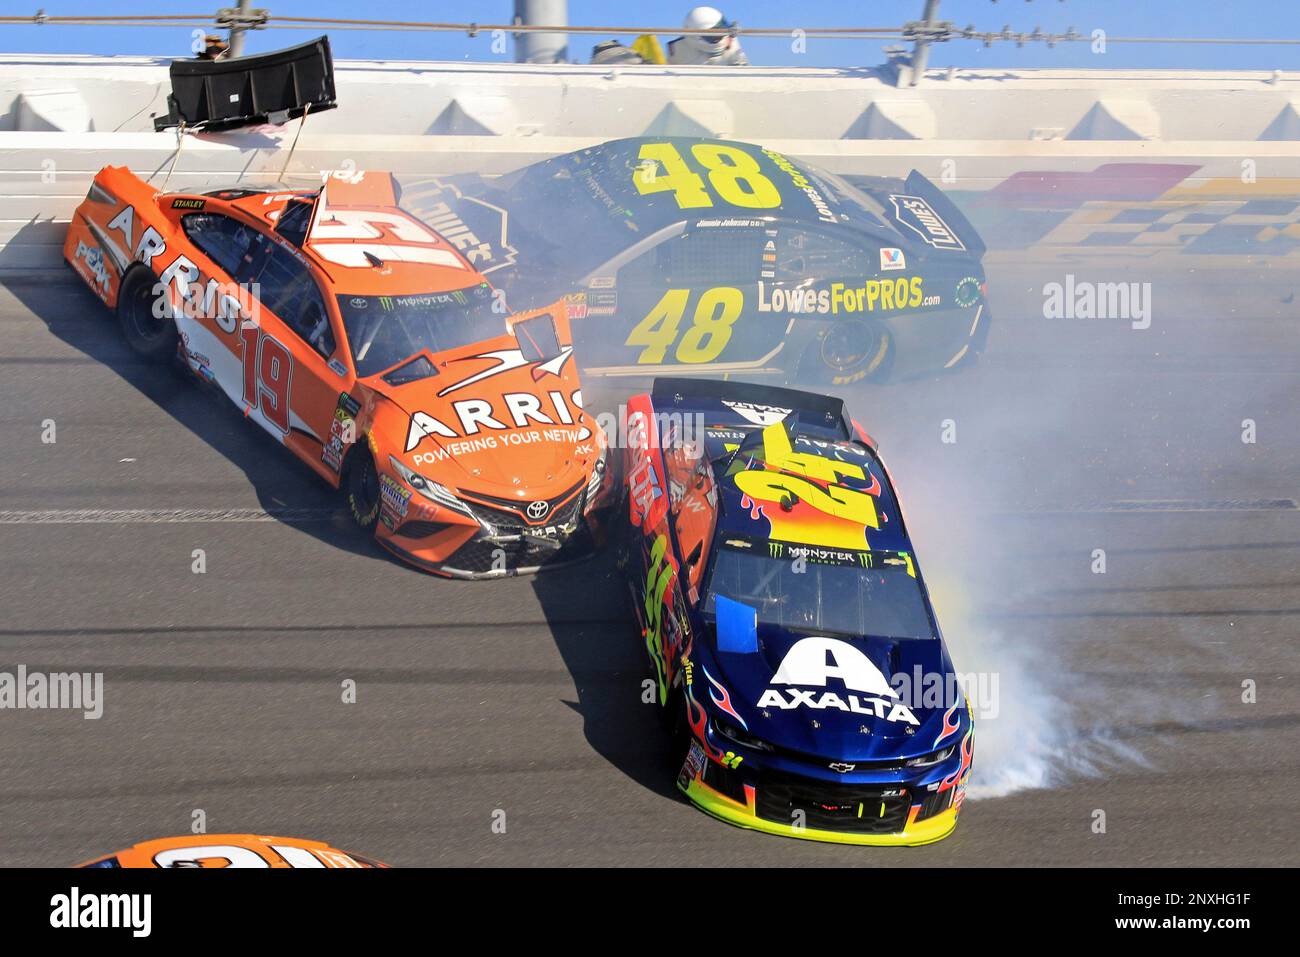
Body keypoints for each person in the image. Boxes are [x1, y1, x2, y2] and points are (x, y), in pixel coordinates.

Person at [667, 6, 749, 65]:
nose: (722, 34)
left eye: (722, 28)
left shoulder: (731, 39)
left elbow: (742, 67)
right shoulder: (678, 49)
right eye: (713, 34)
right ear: (697, 38)